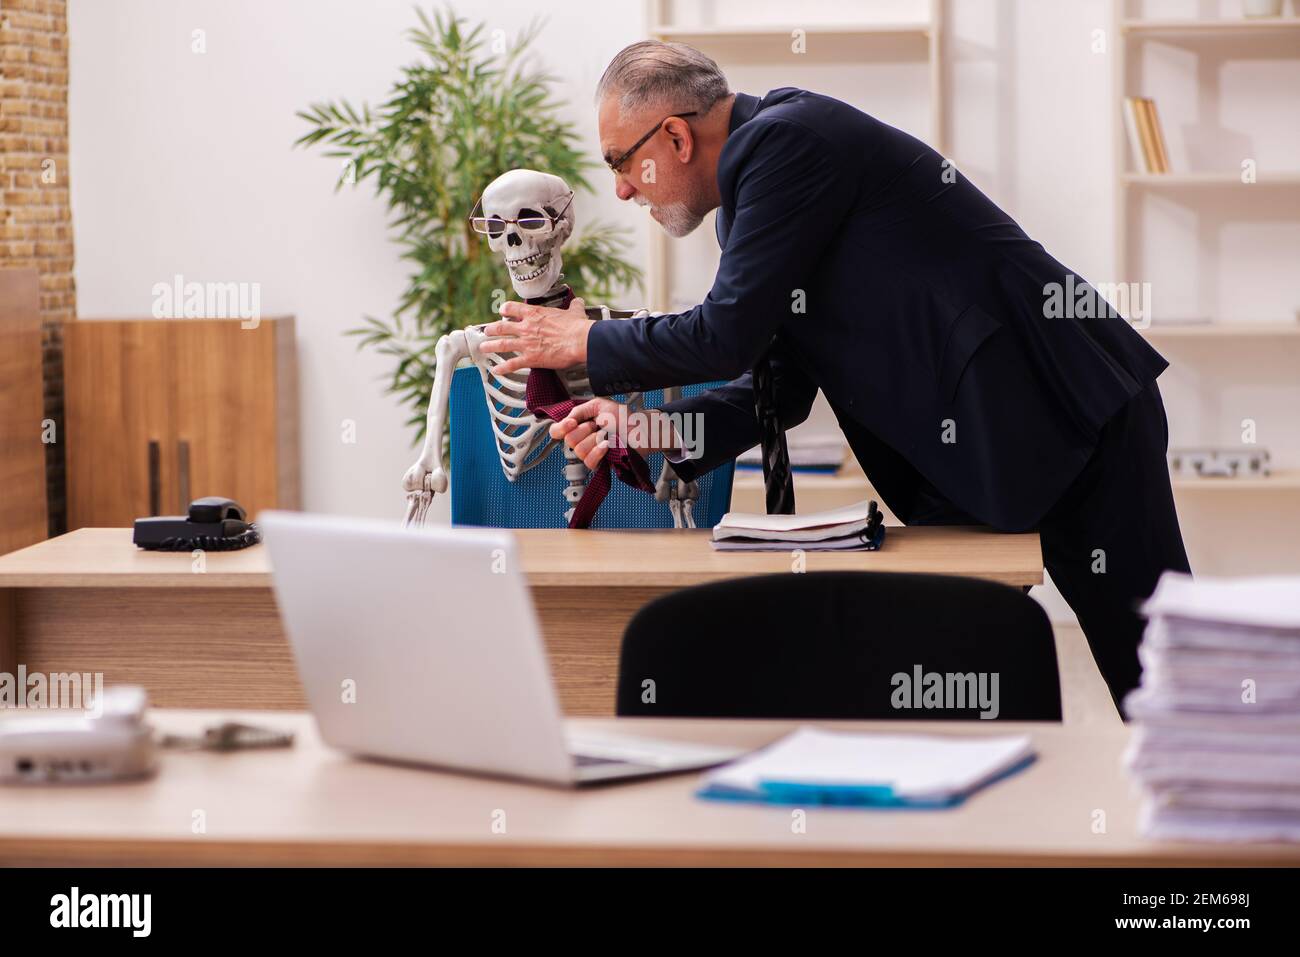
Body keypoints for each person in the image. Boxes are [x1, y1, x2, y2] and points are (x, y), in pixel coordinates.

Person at [480, 41, 1190, 714]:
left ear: (675, 137)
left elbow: (721, 333)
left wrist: (585, 340)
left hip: (1068, 410)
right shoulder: (755, 203)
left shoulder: (787, 142)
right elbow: (777, 392)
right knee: (961, 673)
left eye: (622, 162)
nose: (623, 190)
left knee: (1163, 678)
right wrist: (641, 427)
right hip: (979, 456)